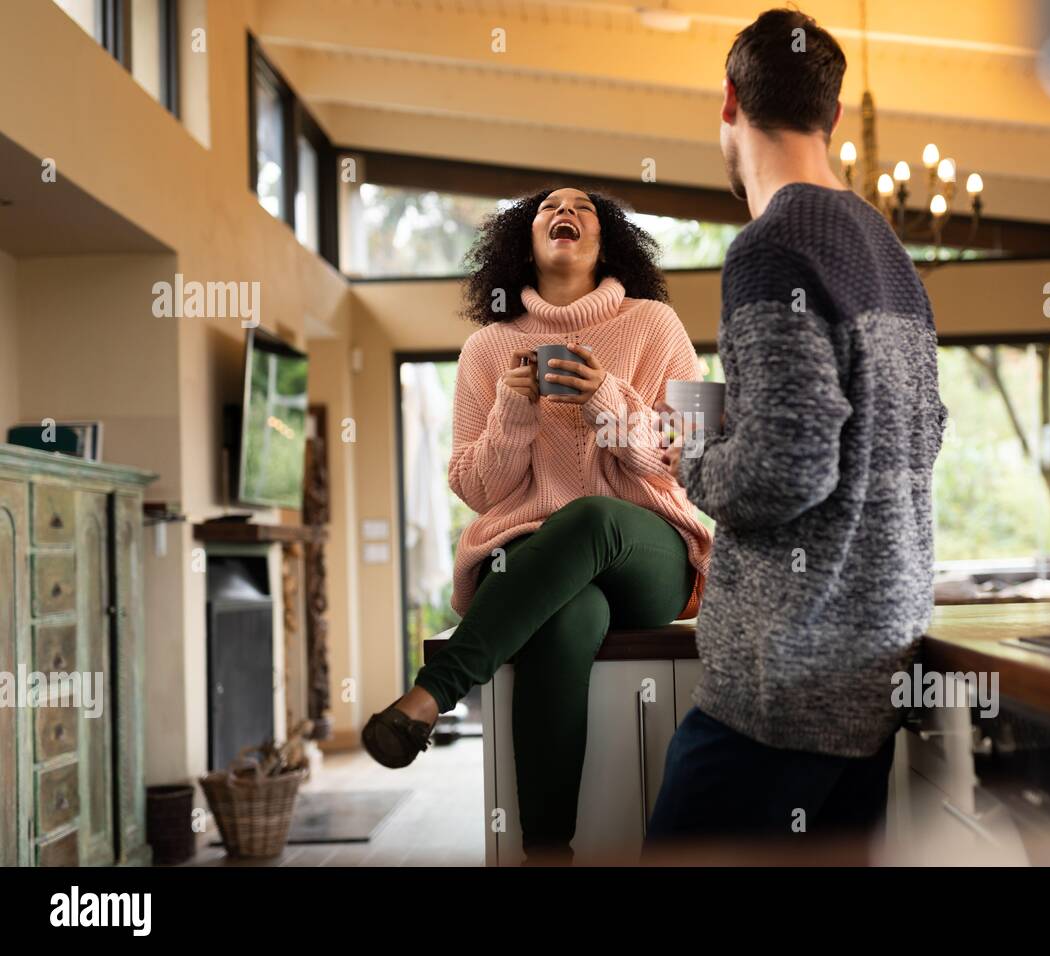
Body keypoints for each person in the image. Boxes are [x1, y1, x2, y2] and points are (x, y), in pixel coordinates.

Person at [647, 9, 947, 849]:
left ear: (729, 101)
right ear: (835, 116)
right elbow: (919, 431)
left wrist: (695, 454)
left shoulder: (769, 247)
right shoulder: (888, 251)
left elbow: (788, 468)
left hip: (779, 696)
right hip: (868, 679)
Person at [362, 186, 712, 864]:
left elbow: (692, 462)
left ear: (605, 240)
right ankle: (546, 851)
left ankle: (433, 694)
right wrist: (513, 414)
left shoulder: (656, 326)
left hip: (646, 552)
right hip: (537, 563)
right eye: (549, 208)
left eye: (583, 209)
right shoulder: (487, 348)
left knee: (589, 519)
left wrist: (606, 404)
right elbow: (475, 488)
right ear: (524, 241)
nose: (565, 214)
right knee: (569, 616)